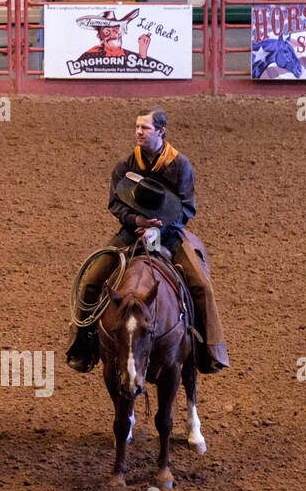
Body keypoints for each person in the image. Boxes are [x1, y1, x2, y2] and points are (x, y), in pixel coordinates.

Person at [66, 107, 229, 374]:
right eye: (137, 127)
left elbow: (187, 208)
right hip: (131, 232)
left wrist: (160, 228)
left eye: (145, 128)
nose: (138, 132)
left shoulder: (180, 165)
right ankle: (82, 346)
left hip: (170, 233)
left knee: (201, 285)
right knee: (92, 281)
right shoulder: (125, 166)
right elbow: (115, 205)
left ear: (161, 132)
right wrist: (137, 222)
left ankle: (209, 349)